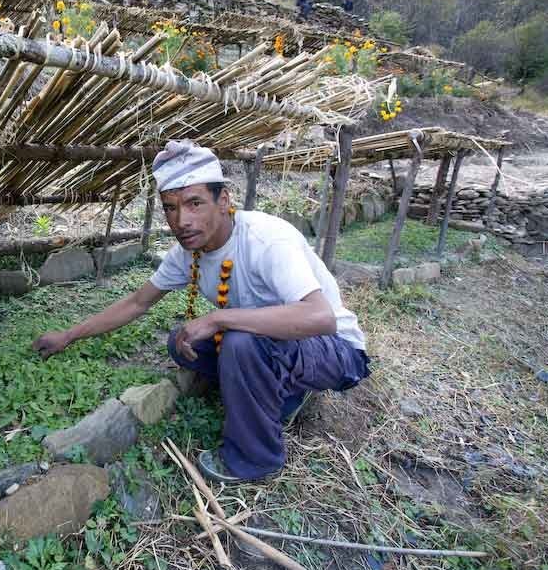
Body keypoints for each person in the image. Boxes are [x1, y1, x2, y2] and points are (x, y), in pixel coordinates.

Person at [33, 140, 371, 483]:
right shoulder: (188, 254)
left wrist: (217, 318)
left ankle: (256, 460)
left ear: (223, 201)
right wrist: (69, 335)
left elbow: (320, 318)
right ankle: (278, 390)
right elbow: (137, 302)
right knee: (181, 341)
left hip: (336, 350)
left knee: (239, 343)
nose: (182, 221)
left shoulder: (265, 239)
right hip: (273, 343)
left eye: (195, 203)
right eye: (171, 208)